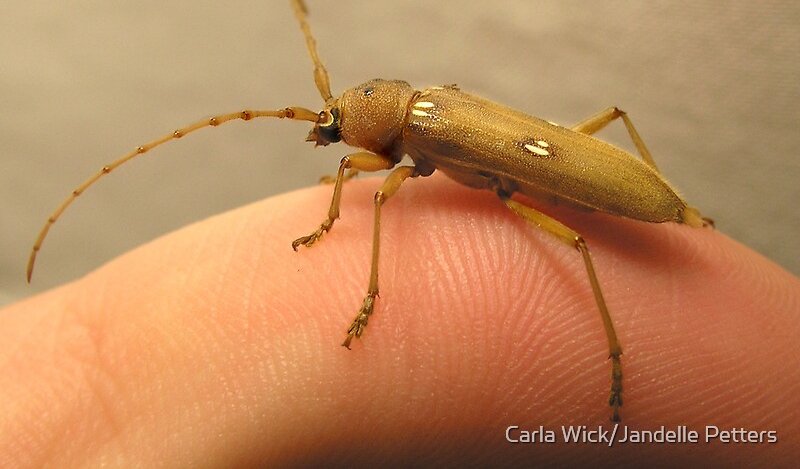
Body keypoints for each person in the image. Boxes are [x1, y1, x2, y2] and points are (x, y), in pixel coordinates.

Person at [2, 176, 797, 466]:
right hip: (596, 183)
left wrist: (362, 286)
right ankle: (685, 214)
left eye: (337, 125)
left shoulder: (409, 150)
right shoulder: (400, 132)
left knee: (576, 244)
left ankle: (617, 357)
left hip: (591, 185)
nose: (332, 139)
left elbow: (376, 188)